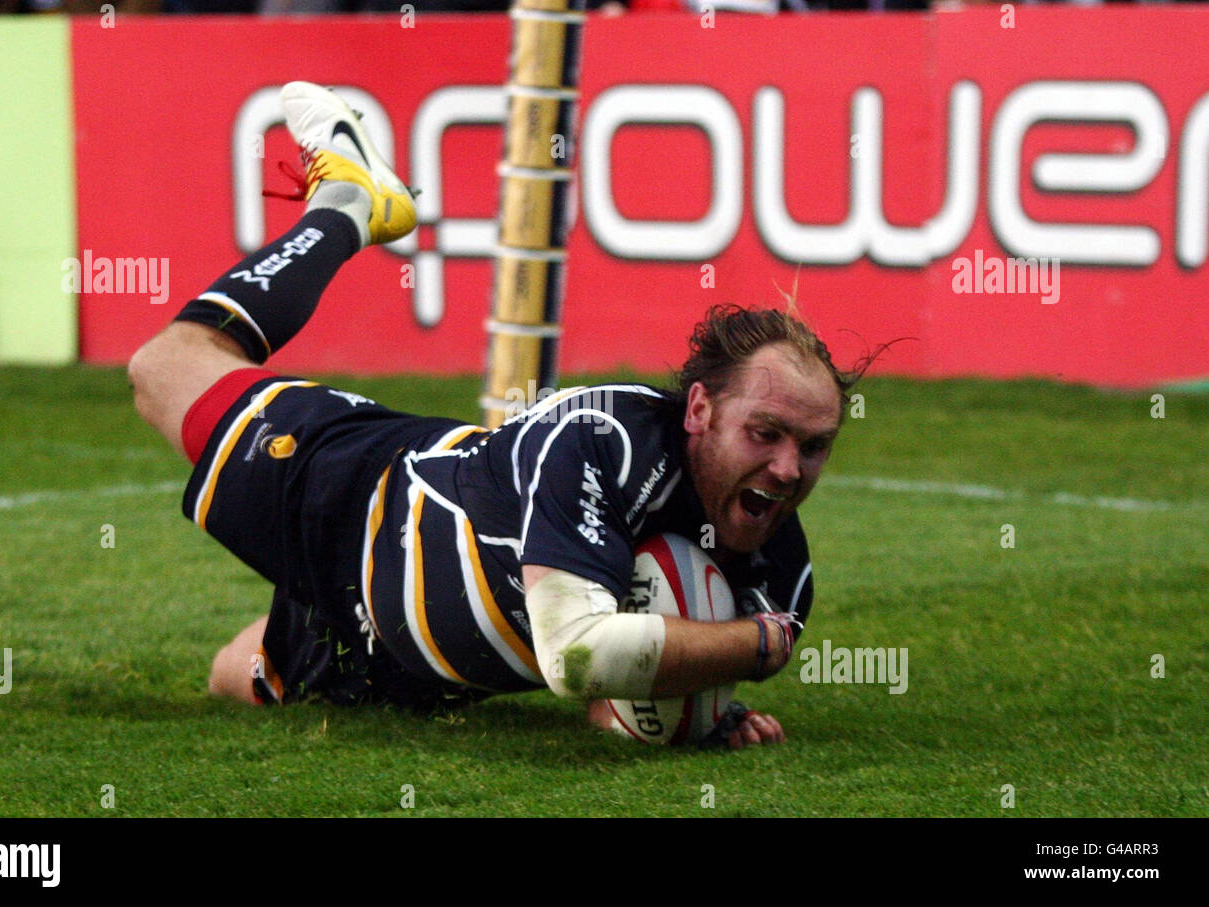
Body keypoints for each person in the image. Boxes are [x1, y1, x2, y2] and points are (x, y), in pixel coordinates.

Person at [128, 81, 857, 750]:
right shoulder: (604, 438)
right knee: (163, 369)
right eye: (765, 433)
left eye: (814, 445)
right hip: (363, 507)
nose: (789, 469)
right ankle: (349, 204)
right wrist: (755, 651)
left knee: (232, 677)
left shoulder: (783, 573)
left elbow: (607, 697)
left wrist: (701, 713)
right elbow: (579, 654)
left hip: (417, 663)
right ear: (699, 409)